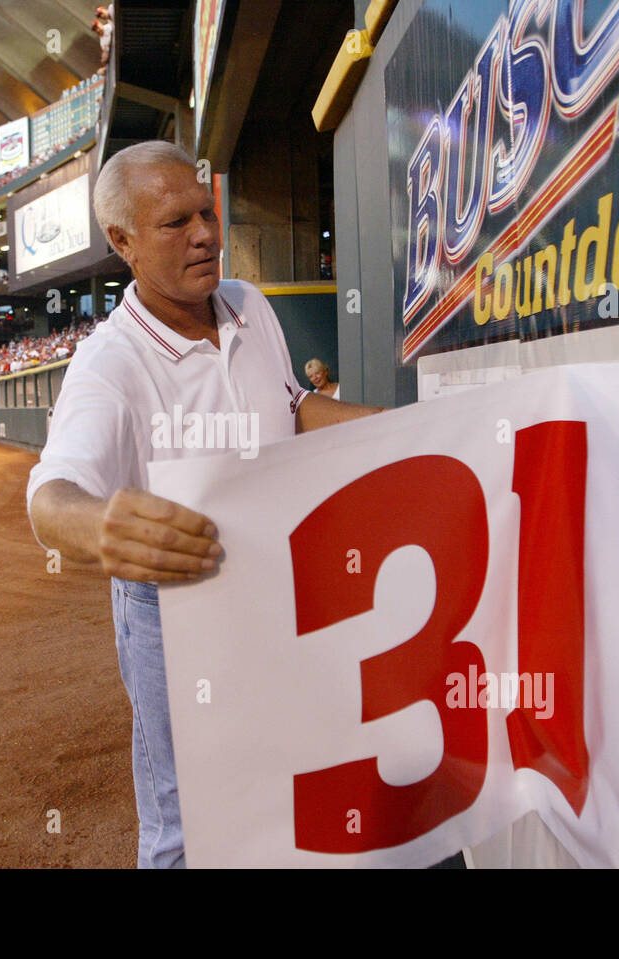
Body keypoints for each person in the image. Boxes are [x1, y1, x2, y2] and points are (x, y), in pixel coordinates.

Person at [26, 140, 381, 868]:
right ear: (121, 241)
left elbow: (293, 406)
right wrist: (98, 525)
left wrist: (407, 432)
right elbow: (51, 493)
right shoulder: (109, 362)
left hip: (282, 580)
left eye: (208, 211)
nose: (205, 234)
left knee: (293, 773)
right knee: (188, 824)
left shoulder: (248, 303)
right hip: (175, 608)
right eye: (175, 222)